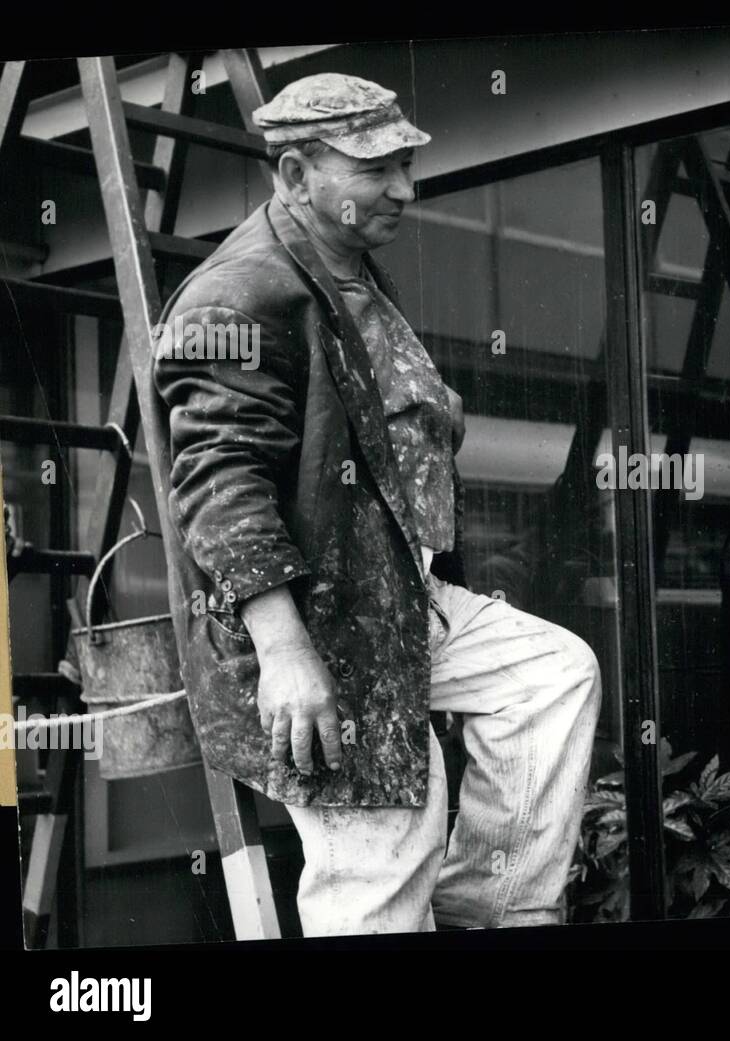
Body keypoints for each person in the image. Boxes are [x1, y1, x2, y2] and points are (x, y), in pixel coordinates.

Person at [143, 73, 600, 934]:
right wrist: (284, 650)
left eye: (405, 164)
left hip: (393, 594)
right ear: (293, 174)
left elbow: (359, 416)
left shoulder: (345, 263)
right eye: (375, 168)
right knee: (385, 847)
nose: (404, 190)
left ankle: (485, 908)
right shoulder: (233, 296)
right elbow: (217, 483)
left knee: (552, 674)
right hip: (312, 624)